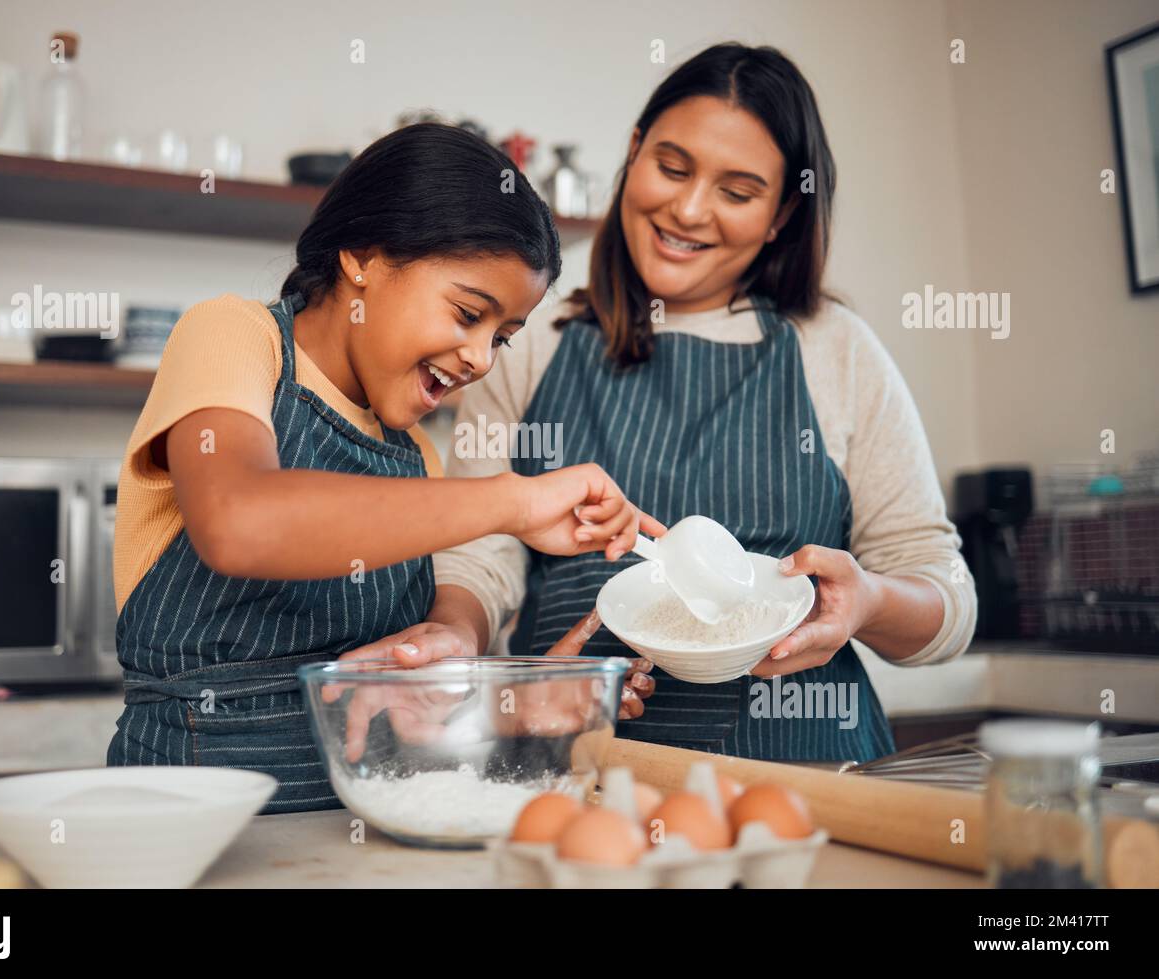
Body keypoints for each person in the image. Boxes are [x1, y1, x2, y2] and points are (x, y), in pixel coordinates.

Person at [421, 44, 979, 762]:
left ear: (781, 214)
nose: (687, 209)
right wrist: (451, 635)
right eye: (672, 168)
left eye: (738, 192)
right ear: (634, 152)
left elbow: (946, 597)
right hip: (578, 768)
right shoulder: (529, 341)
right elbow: (477, 558)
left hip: (812, 778)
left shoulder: (838, 351)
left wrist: (868, 600)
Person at [106, 123, 662, 811]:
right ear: (362, 255)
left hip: (353, 846)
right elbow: (239, 520)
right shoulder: (234, 337)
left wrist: (512, 699)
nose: (480, 359)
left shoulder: (418, 461)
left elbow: (409, 718)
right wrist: (514, 502)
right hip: (188, 831)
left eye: (502, 338)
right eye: (467, 313)